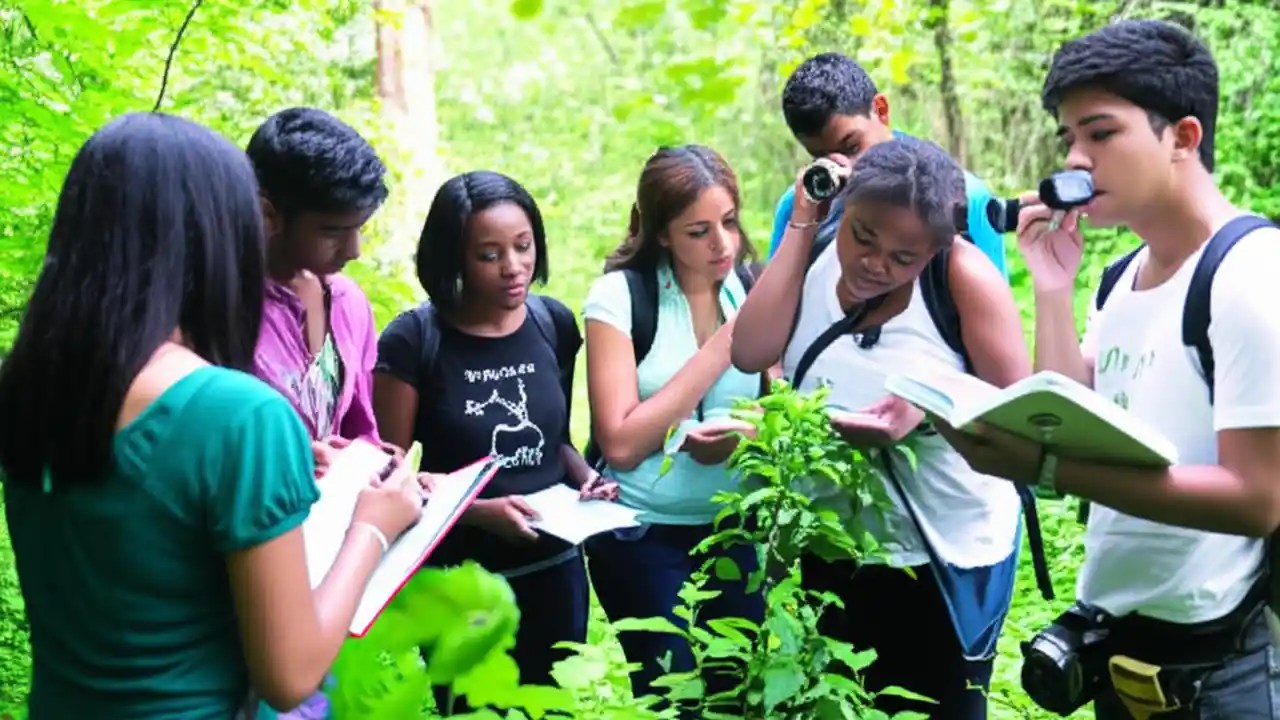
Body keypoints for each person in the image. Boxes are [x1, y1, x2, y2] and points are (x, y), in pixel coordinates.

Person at [0, 112, 426, 719]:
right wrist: (373, 527)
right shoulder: (240, 415)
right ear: (213, 234)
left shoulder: (31, 389)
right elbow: (290, 675)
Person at [935, 20, 1280, 717]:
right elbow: (1071, 417)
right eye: (1069, 139)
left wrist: (1046, 470)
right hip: (1120, 654)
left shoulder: (1250, 273)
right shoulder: (1120, 279)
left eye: (1101, 133)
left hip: (1221, 669)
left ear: (1182, 136)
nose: (1076, 161)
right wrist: (1053, 288)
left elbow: (1258, 497)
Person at [731, 136, 1030, 719]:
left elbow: (1020, 420)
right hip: (836, 544)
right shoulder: (813, 251)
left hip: (945, 553)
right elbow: (750, 349)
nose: (875, 264)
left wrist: (927, 405)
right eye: (863, 236)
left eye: (904, 258)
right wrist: (803, 224)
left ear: (937, 248)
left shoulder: (962, 278)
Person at [373, 171, 614, 709]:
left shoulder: (553, 323)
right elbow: (387, 476)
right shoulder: (416, 340)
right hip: (462, 583)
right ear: (453, 258)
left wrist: (588, 478)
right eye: (489, 254)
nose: (514, 267)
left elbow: (557, 443)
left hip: (555, 572)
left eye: (524, 247)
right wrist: (480, 512)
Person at [581, 145, 765, 715]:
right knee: (675, 700)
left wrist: (744, 438)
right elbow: (622, 440)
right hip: (643, 536)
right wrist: (723, 346)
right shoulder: (619, 297)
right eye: (699, 232)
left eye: (730, 223)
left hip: (735, 532)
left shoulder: (752, 285)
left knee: (739, 698)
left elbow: (779, 406)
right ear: (661, 235)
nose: (723, 245)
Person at [768, 52, 1007, 277]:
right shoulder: (799, 209)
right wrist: (803, 226)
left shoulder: (963, 199)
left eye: (852, 147)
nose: (845, 168)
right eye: (823, 160)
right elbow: (772, 312)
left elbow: (996, 311)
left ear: (881, 110)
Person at [246, 107, 390, 477]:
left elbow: (362, 432)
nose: (354, 249)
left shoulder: (348, 304)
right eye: (333, 231)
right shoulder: (222, 312)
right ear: (268, 214)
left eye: (359, 228)